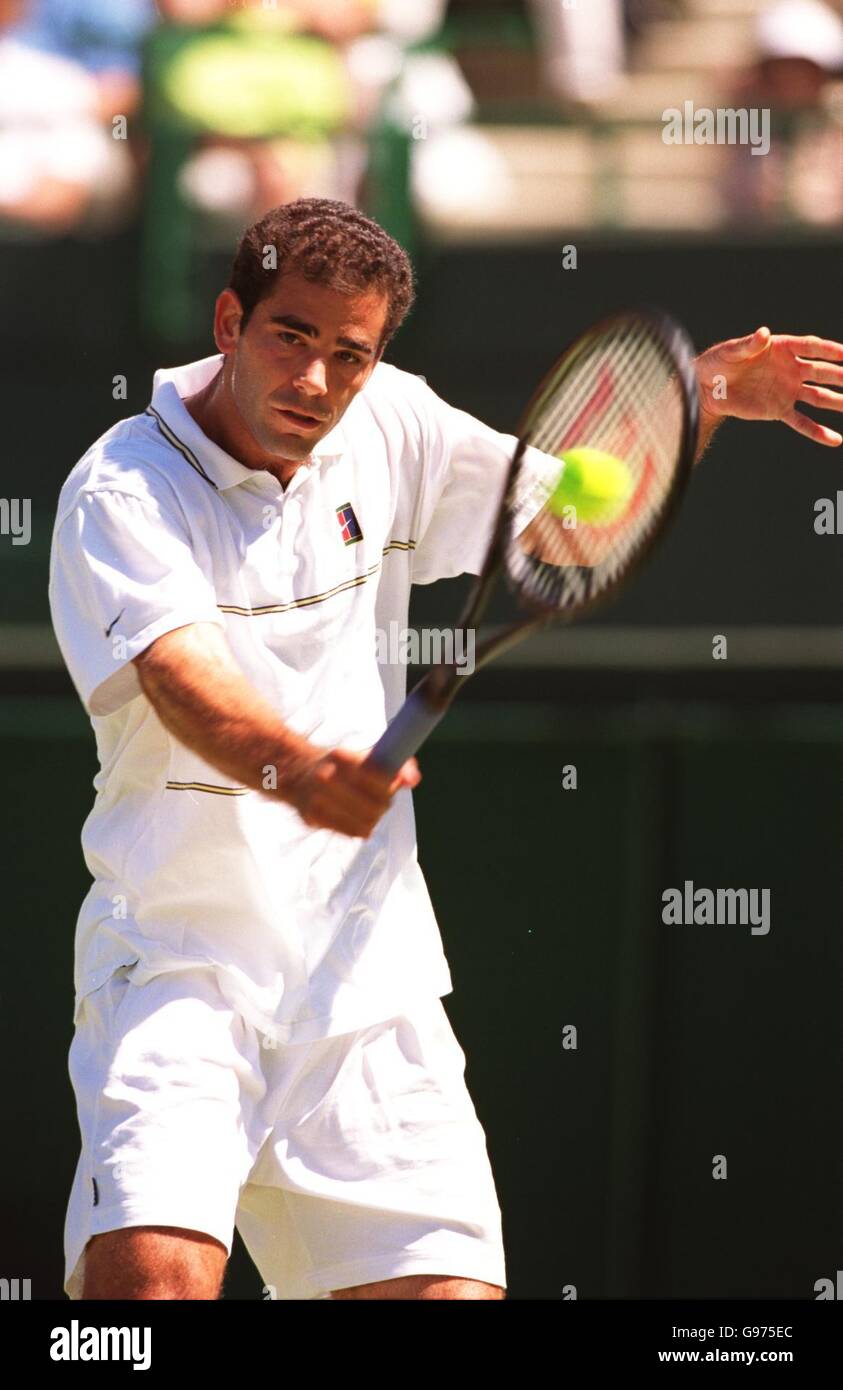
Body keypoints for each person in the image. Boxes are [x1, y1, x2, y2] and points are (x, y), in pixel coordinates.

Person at [49, 197, 843, 1301]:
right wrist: (296, 767)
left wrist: (698, 398)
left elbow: (573, 518)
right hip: (181, 969)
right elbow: (183, 678)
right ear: (231, 320)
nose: (317, 381)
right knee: (150, 1290)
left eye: (351, 354)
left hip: (368, 985)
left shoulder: (394, 425)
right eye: (290, 336)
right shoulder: (123, 488)